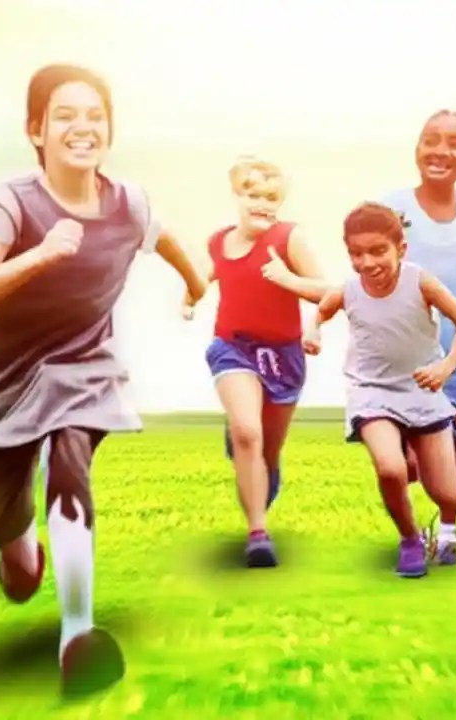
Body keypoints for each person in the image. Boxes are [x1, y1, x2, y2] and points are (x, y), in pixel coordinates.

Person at [0, 63, 207, 697]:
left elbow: (169, 244)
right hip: (9, 383)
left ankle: (78, 636)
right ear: (35, 130)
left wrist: (196, 287)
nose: (82, 127)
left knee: (71, 461)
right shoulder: (14, 203)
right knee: (14, 563)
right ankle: (19, 548)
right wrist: (40, 255)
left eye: (95, 115)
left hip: (86, 368)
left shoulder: (130, 203)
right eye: (65, 115)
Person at [303, 202, 456, 580]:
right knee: (391, 469)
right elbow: (322, 309)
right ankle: (410, 539)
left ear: (401, 249)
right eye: (356, 254)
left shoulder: (420, 281)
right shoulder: (348, 290)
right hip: (372, 391)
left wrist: (445, 367)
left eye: (378, 251)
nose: (367, 262)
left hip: (421, 389)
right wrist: (312, 330)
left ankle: (446, 530)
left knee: (445, 492)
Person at [183, 156, 329, 568]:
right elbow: (202, 279)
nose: (263, 204)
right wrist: (188, 299)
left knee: (267, 451)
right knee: (248, 433)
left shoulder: (289, 238)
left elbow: (326, 292)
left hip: (284, 355)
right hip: (233, 347)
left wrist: (293, 290)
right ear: (237, 195)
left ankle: (261, 470)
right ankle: (258, 534)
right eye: (254, 195)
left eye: (271, 197)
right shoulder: (218, 242)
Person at [380, 110, 456, 564]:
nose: (441, 150)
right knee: (408, 462)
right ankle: (412, 519)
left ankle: (447, 530)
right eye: (431, 140)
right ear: (416, 149)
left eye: (454, 143)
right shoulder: (393, 205)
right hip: (401, 356)